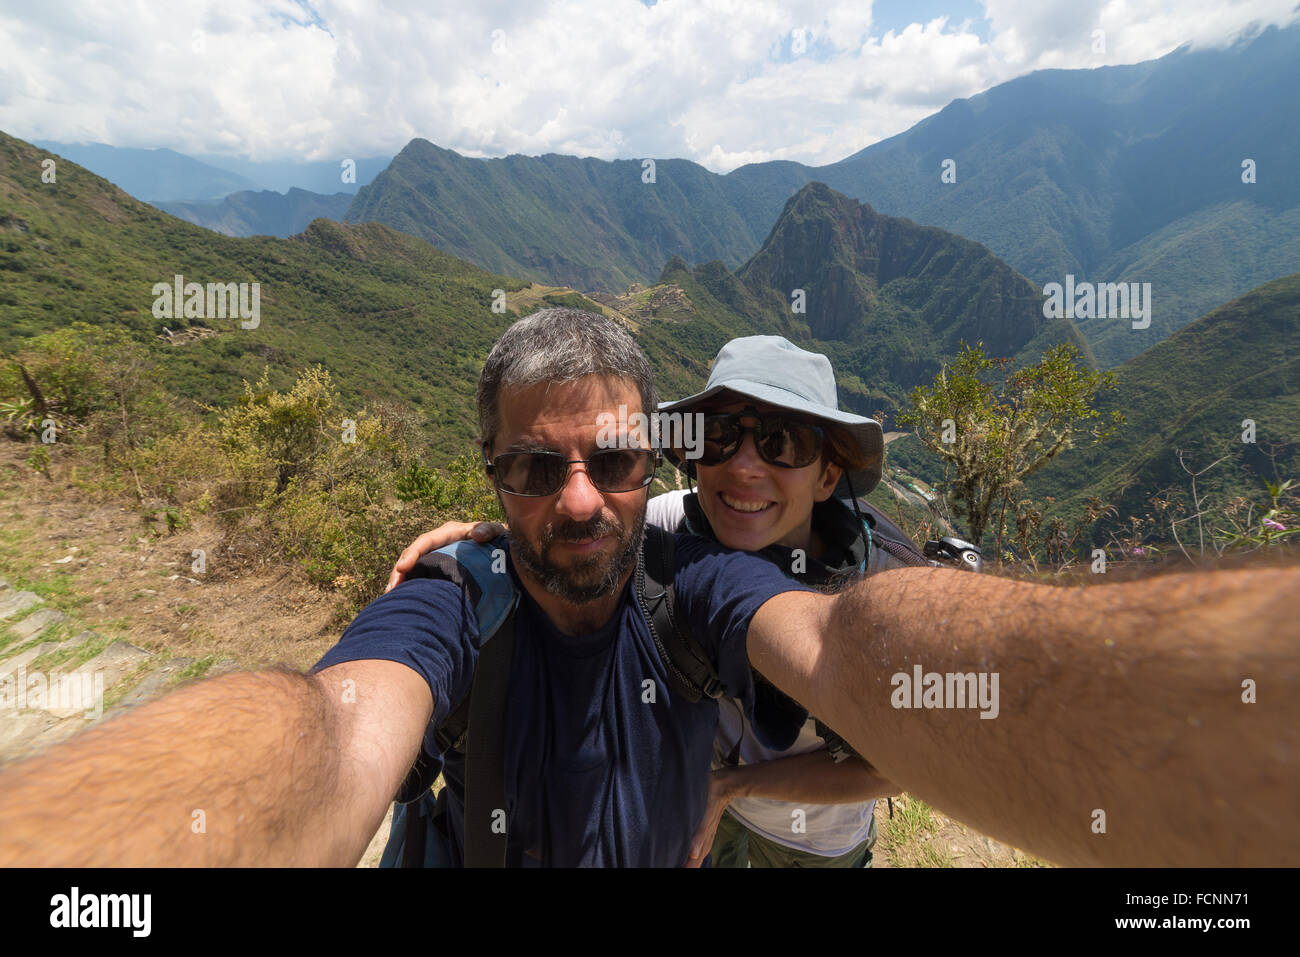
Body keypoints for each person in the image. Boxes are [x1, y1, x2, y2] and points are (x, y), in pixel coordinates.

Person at [0, 307, 1296, 867]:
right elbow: (334, 733)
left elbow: (853, 650)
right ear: (494, 473)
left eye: (610, 461)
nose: (576, 499)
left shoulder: (706, 580)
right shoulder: (460, 594)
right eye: (532, 467)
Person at [391, 336, 912, 868]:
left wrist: (735, 785)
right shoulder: (668, 525)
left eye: (785, 442)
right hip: (702, 798)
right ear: (692, 457)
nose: (745, 467)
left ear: (827, 475)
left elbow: (888, 769)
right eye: (720, 436)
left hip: (810, 834)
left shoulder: (875, 592)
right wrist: (494, 548)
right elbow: (587, 529)